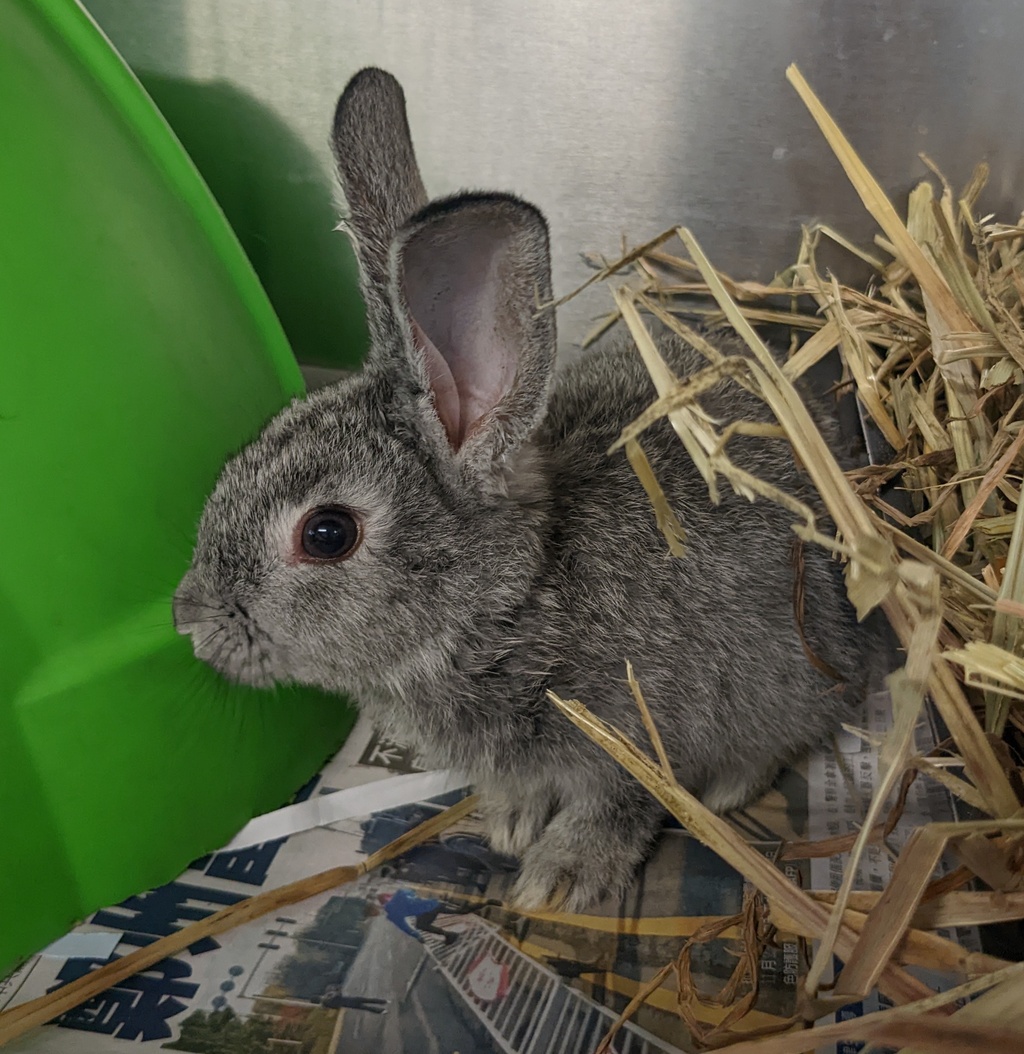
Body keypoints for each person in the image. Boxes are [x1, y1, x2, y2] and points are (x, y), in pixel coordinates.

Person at [377, 889, 498, 945]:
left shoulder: (392, 913)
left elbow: (404, 927)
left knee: (420, 925)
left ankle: (449, 935)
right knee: (461, 911)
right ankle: (487, 902)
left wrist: (417, 936)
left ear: (382, 904)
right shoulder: (400, 893)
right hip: (434, 903)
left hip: (427, 912)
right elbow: (412, 893)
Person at [318, 985, 388, 1014]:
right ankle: (384, 1002)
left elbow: (336, 1008)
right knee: (368, 1000)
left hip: (348, 1005)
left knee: (366, 1008)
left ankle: (382, 1011)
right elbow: (338, 994)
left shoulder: (326, 1005)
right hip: (350, 999)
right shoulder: (328, 995)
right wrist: (337, 991)